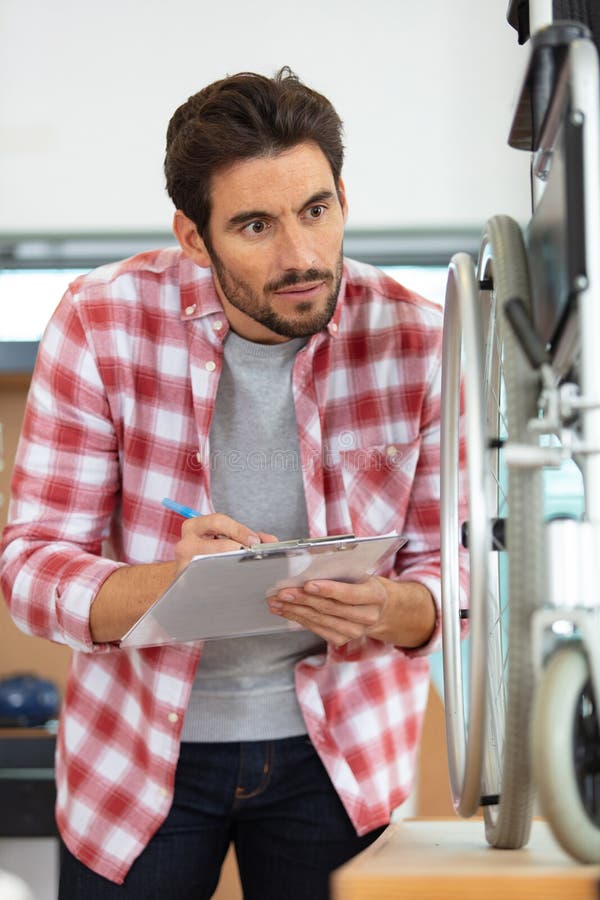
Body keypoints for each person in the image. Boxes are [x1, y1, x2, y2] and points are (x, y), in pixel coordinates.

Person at [0, 67, 467, 899]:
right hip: (136, 755)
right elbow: (31, 567)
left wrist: (395, 608)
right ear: (192, 236)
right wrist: (169, 586)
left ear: (342, 197)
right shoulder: (99, 319)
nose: (300, 256)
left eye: (315, 211)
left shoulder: (418, 339)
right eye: (254, 225)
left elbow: (458, 574)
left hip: (343, 755)